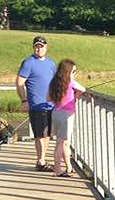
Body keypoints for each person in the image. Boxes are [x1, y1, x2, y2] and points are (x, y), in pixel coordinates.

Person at [15, 36, 57, 171]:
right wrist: (24, 100)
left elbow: (56, 82)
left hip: (51, 105)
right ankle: (40, 161)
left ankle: (43, 159)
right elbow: (19, 83)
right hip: (36, 105)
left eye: (41, 46)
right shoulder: (28, 63)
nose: (39, 48)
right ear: (33, 48)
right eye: (36, 46)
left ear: (46, 47)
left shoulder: (51, 63)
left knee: (47, 134)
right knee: (40, 134)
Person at [48, 59, 86, 178]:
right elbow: (83, 89)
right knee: (60, 142)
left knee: (64, 142)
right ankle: (58, 170)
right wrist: (74, 96)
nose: (75, 74)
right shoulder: (71, 82)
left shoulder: (54, 82)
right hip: (67, 115)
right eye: (74, 71)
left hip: (56, 112)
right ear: (68, 72)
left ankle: (69, 167)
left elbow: (48, 98)